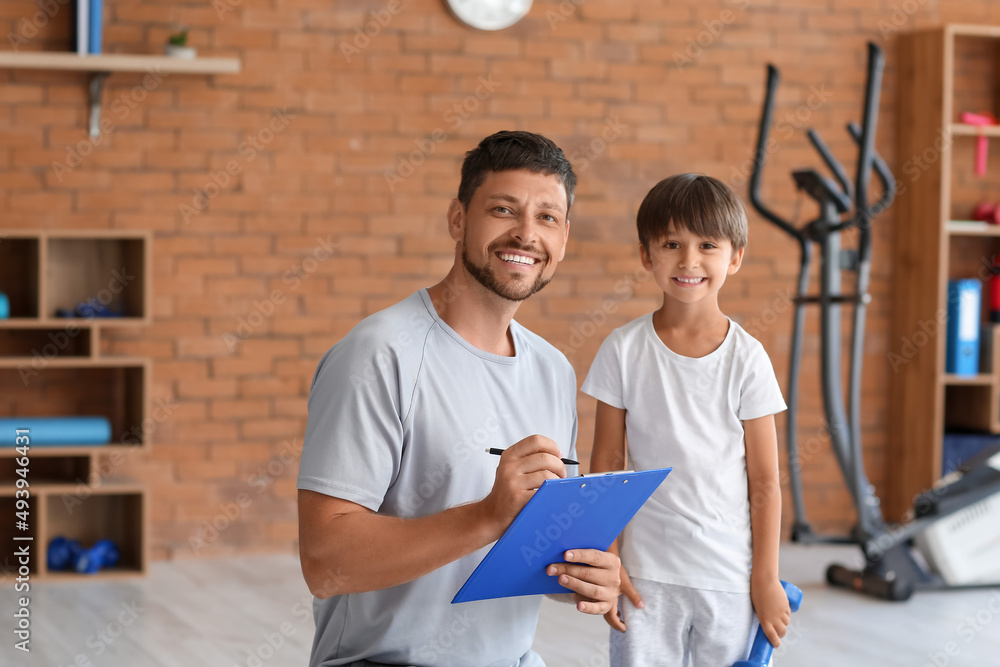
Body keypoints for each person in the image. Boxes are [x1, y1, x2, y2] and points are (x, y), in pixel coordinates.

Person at [296, 130, 622, 667]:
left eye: (547, 217)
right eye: (503, 209)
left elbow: (537, 539)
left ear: (564, 238)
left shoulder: (553, 371)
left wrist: (581, 574)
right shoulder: (378, 356)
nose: (525, 233)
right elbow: (325, 563)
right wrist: (487, 517)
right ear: (457, 219)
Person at [582, 173, 791, 666]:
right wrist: (609, 561)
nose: (689, 260)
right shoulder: (622, 350)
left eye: (707, 245)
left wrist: (765, 577)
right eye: (671, 243)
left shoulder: (748, 358)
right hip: (644, 577)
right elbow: (606, 469)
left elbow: (765, 480)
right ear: (646, 255)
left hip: (729, 578)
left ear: (734, 257)